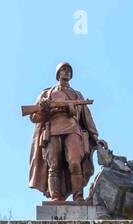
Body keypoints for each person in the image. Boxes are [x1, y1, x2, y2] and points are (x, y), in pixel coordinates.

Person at [27, 62, 106, 203]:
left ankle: (78, 197)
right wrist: (45, 109)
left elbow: (87, 118)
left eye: (69, 70)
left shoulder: (77, 94)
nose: (67, 72)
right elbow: (34, 117)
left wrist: (95, 138)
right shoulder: (47, 93)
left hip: (73, 130)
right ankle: (56, 197)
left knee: (75, 162)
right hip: (52, 131)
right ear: (58, 74)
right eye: (63, 69)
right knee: (54, 166)